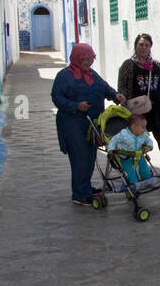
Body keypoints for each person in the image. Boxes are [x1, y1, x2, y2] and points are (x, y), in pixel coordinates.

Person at [51, 43, 125, 206]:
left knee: (90, 157)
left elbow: (104, 88)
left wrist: (116, 95)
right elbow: (57, 97)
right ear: (77, 58)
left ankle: (85, 187)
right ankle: (79, 194)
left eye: (91, 58)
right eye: (85, 59)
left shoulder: (91, 74)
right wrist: (76, 106)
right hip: (72, 125)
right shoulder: (64, 76)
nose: (88, 62)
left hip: (92, 125)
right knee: (80, 158)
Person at [118, 33, 160, 175]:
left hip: (157, 108)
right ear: (135, 46)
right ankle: (139, 169)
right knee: (138, 140)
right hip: (137, 110)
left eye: (146, 45)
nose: (143, 48)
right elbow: (122, 87)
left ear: (150, 47)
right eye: (141, 45)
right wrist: (125, 107)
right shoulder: (128, 65)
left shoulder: (155, 65)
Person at [108, 113, 154, 185]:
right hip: (126, 158)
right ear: (133, 127)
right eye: (143, 127)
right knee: (130, 173)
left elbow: (149, 140)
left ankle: (147, 179)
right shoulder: (124, 134)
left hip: (138, 156)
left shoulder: (143, 134)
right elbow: (114, 140)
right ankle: (133, 184)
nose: (145, 129)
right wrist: (111, 148)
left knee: (145, 168)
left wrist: (149, 146)